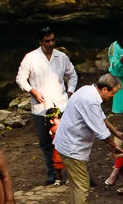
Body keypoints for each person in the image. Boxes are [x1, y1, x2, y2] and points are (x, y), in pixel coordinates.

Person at [54, 75, 116, 204]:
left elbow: (101, 117)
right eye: (112, 93)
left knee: (76, 184)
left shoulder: (87, 91)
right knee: (82, 184)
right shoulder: (90, 100)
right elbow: (101, 131)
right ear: (104, 89)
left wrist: (116, 132)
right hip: (72, 147)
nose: (112, 97)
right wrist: (116, 148)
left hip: (67, 144)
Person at [15, 27, 78, 183]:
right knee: (45, 142)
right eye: (47, 41)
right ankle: (52, 174)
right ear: (40, 41)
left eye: (52, 40)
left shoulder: (61, 57)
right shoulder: (31, 58)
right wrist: (32, 91)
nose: (50, 44)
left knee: (67, 140)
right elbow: (21, 78)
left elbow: (72, 75)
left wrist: (70, 92)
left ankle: (71, 173)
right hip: (41, 107)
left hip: (62, 104)